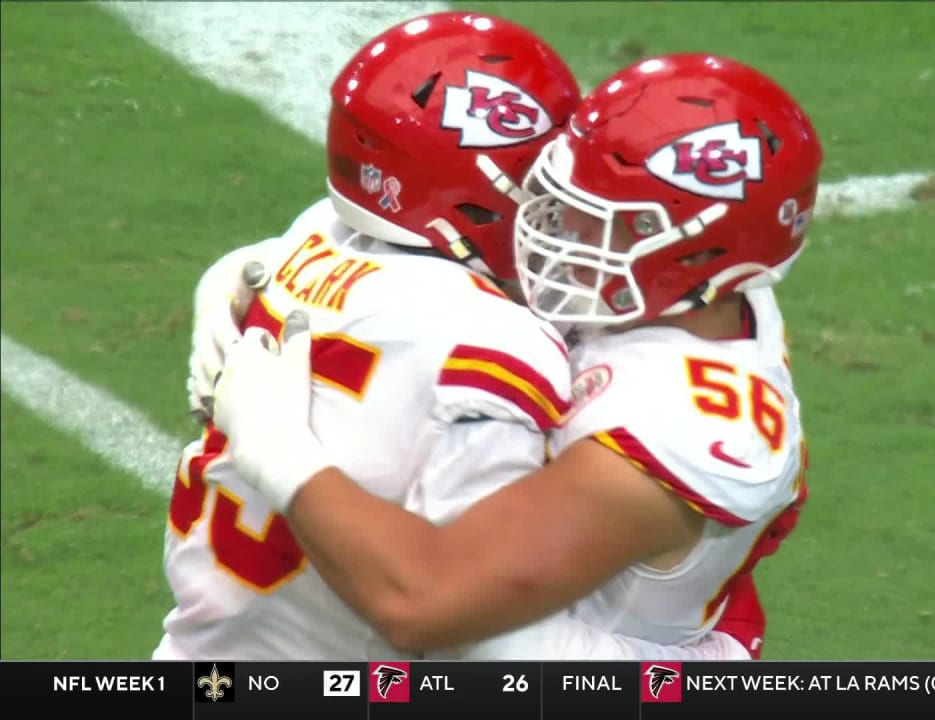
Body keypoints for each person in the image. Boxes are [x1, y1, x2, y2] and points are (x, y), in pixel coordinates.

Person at [157, 11, 748, 661]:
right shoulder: (492, 346)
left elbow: (269, 255)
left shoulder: (319, 235)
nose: (571, 201)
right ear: (473, 200)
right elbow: (462, 621)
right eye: (544, 183)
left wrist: (219, 285)